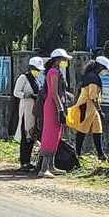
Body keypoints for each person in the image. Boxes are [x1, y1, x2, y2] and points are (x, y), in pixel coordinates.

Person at [69, 56, 109, 160]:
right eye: (105, 68)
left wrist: (98, 110)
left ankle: (100, 154)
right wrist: (100, 110)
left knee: (98, 130)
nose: (105, 71)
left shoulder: (92, 76)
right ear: (100, 67)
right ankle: (77, 154)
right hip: (86, 107)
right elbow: (93, 97)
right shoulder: (93, 78)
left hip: (92, 108)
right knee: (82, 130)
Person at [37, 48, 71, 178]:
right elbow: (53, 93)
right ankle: (43, 168)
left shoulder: (56, 71)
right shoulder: (54, 72)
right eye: (64, 59)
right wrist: (60, 109)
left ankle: (51, 166)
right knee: (50, 135)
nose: (65, 62)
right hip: (52, 106)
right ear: (58, 60)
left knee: (56, 135)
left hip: (55, 105)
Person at [12, 56, 46, 172]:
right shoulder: (23, 78)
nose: (37, 71)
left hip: (34, 110)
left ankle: (29, 161)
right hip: (25, 109)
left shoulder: (37, 80)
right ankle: (24, 162)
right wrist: (27, 95)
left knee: (32, 136)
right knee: (25, 135)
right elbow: (16, 92)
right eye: (36, 69)